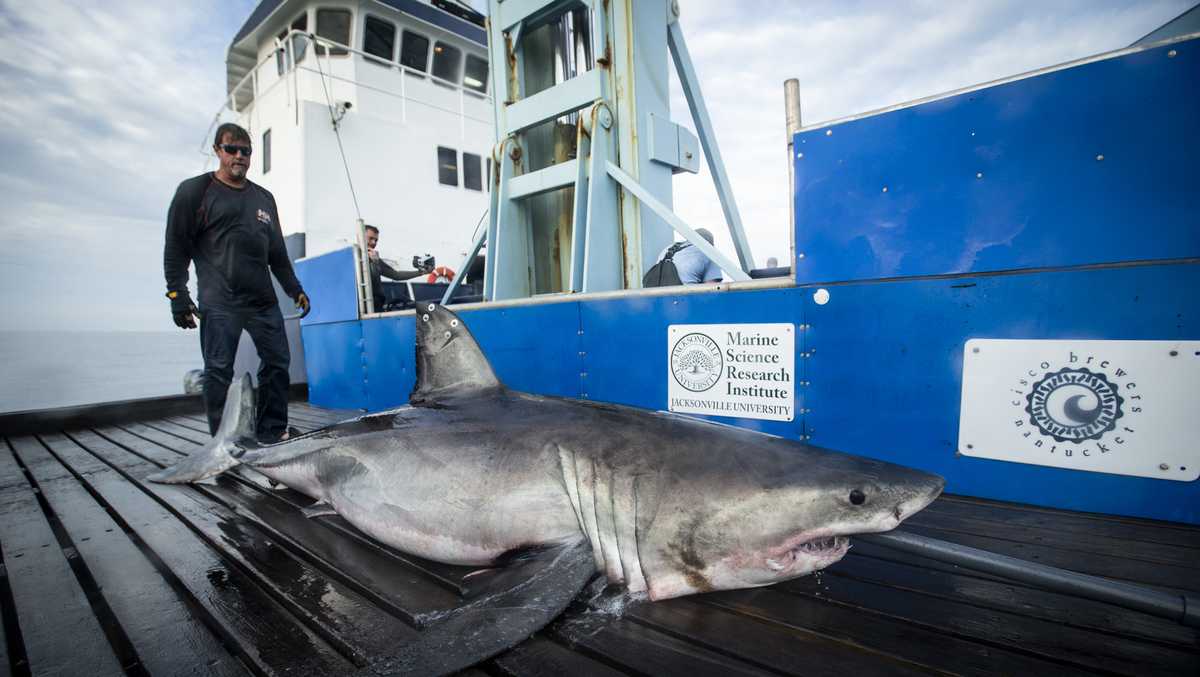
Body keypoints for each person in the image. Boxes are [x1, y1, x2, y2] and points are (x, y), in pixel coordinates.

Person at [164, 122, 310, 443]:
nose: (239, 156)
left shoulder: (264, 198)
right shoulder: (194, 192)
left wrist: (295, 289)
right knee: (218, 372)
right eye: (232, 149)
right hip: (219, 303)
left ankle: (272, 430)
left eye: (246, 151)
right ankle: (223, 441)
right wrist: (178, 295)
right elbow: (176, 248)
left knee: (277, 363)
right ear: (218, 150)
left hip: (262, 301)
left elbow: (278, 254)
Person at [363, 224, 430, 310]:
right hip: (363, 310)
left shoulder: (375, 259)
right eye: (370, 238)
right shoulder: (353, 260)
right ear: (360, 238)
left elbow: (396, 275)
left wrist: (421, 272)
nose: (374, 243)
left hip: (376, 306)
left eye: (376, 240)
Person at [654, 227, 723, 284]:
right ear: (709, 244)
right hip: (686, 297)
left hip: (654, 295)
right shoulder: (709, 251)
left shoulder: (668, 249)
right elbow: (713, 288)